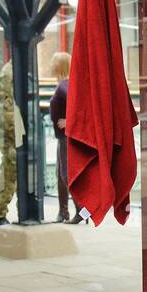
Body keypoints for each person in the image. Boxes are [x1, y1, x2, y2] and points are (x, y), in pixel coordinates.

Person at [47, 51, 83, 224]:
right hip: (63, 137)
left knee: (66, 174)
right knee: (60, 174)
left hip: (67, 137)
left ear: (58, 67)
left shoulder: (64, 86)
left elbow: (79, 107)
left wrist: (70, 122)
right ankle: (64, 212)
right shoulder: (65, 84)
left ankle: (81, 211)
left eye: (52, 63)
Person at [0, 60, 17, 229]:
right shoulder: (9, 74)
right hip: (12, 131)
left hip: (13, 128)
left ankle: (0, 212)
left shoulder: (12, 71)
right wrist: (17, 134)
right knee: (9, 172)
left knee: (12, 172)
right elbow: (8, 109)